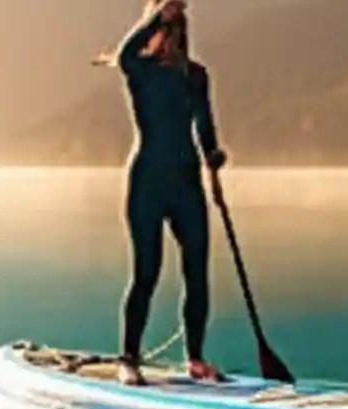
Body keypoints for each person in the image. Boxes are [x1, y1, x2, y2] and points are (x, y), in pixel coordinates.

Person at [110, 0, 228, 386]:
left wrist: (213, 152)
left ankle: (195, 359)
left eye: (180, 28)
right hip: (147, 183)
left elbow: (204, 123)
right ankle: (128, 359)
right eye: (169, 28)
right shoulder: (139, 71)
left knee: (197, 271)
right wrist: (158, 14)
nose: (176, 36)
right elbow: (126, 51)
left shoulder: (195, 76)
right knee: (147, 272)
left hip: (186, 182)